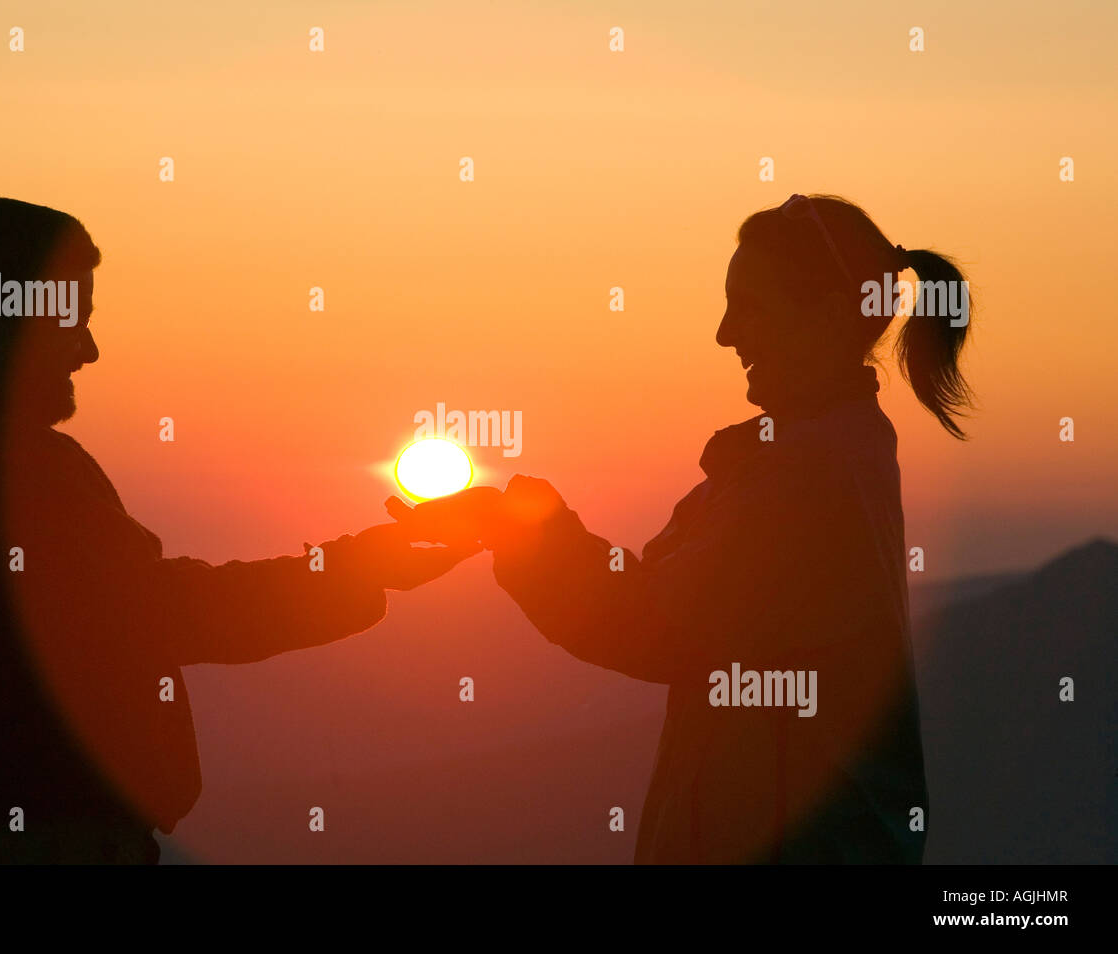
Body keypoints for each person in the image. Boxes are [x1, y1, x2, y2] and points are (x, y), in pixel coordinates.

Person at [0, 197, 476, 864]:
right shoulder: (6, 466)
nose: (89, 349)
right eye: (70, 320)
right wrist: (357, 571)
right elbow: (161, 611)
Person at [393, 194, 974, 863]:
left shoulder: (804, 471)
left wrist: (524, 531)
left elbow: (656, 624)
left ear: (832, 316)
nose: (727, 333)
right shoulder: (828, 448)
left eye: (750, 304)